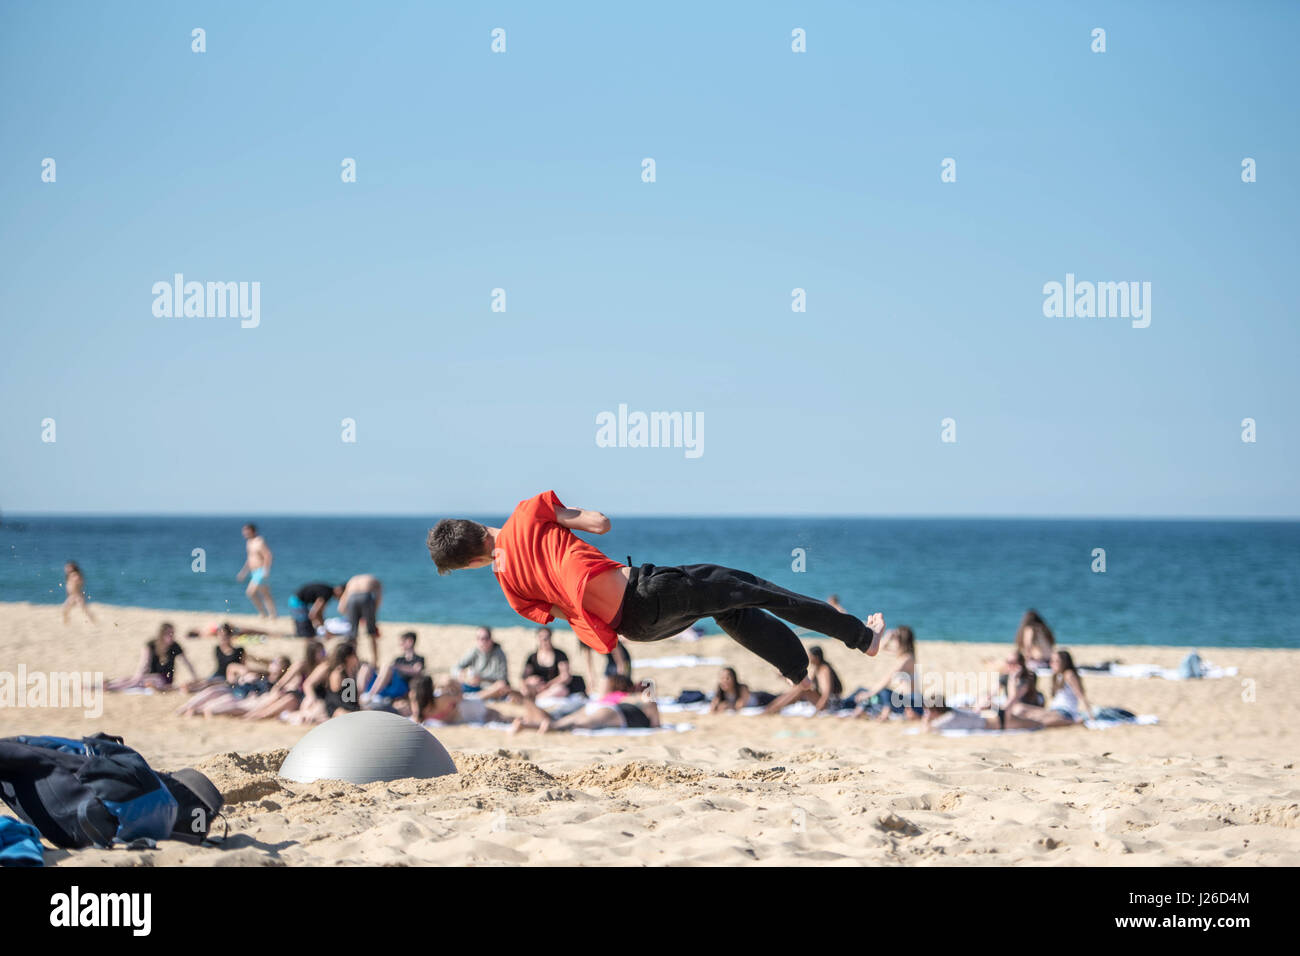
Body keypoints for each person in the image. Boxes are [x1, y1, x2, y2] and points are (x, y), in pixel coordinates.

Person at [426, 490, 885, 688]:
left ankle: (795, 672)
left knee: (729, 607)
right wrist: (569, 518)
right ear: (472, 525)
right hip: (648, 591)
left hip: (636, 628)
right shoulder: (527, 512)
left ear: (469, 562)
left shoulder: (509, 587)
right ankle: (861, 638)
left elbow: (569, 614)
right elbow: (600, 524)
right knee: (754, 587)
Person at [510, 674, 659, 733]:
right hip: (617, 713)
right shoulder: (646, 700)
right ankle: (540, 723)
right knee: (575, 724)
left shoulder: (620, 695)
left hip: (599, 706)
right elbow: (655, 725)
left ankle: (526, 725)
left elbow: (604, 685)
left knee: (566, 721)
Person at [243, 640, 326, 721]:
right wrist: (275, 691)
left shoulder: (324, 667)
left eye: (323, 651)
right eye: (321, 652)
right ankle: (248, 716)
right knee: (269, 702)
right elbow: (284, 681)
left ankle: (252, 717)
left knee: (268, 712)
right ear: (312, 653)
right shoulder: (302, 665)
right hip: (298, 695)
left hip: (302, 699)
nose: (323, 654)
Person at [1008, 648, 1094, 726]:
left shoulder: (1069, 674)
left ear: (1064, 662)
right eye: (1052, 661)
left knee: (1037, 720)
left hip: (1065, 712)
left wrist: (1090, 716)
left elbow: (1081, 695)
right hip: (1054, 709)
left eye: (1056, 661)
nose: (1051, 664)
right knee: (1019, 708)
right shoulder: (1058, 676)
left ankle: (1074, 723)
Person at [852, 626, 923, 720]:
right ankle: (849, 706)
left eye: (895, 638)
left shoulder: (907, 659)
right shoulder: (902, 655)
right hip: (900, 700)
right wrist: (888, 636)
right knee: (861, 690)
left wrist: (869, 693)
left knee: (882, 692)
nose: (894, 641)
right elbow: (881, 648)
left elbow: (888, 678)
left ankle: (880, 713)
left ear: (901, 641)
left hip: (911, 703)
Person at [106, 623, 199, 691]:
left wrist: (195, 678)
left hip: (164, 679)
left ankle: (111, 687)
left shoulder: (175, 646)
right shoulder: (151, 644)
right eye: (169, 633)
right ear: (162, 634)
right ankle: (109, 684)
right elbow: (144, 663)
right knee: (128, 679)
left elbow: (187, 663)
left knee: (137, 681)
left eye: (173, 633)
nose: (171, 636)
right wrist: (138, 676)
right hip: (149, 675)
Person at [763, 646, 846, 713]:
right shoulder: (816, 669)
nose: (809, 658)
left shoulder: (824, 669)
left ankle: (772, 709)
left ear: (816, 658)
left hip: (832, 703)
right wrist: (785, 678)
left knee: (803, 690)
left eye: (810, 656)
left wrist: (818, 710)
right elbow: (802, 684)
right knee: (800, 688)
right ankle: (771, 708)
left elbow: (826, 693)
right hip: (825, 701)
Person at [363, 631, 426, 708]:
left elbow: (417, 670)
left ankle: (372, 694)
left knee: (388, 667)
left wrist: (397, 667)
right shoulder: (399, 659)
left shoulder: (418, 658)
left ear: (410, 641)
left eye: (403, 641)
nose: (400, 644)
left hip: (402, 686)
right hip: (390, 684)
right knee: (366, 667)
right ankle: (361, 694)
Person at [411, 676, 505, 726]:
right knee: (493, 712)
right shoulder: (441, 698)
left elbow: (416, 719)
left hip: (461, 712)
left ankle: (497, 689)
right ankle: (497, 688)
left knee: (477, 698)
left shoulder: (418, 706)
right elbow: (461, 697)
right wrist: (456, 689)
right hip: (464, 709)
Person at [521, 626, 579, 699]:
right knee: (525, 690)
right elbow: (524, 677)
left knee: (560, 689)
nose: (544, 640)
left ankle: (538, 699)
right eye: (541, 637)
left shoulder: (560, 655)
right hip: (537, 687)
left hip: (553, 686)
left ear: (551, 638)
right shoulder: (532, 657)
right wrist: (531, 680)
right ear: (537, 638)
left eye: (546, 637)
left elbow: (566, 676)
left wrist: (547, 685)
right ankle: (537, 698)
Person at [338, 573, 383, 664]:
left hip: (352, 598)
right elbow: (378, 597)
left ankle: (353, 660)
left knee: (353, 634)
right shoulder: (373, 579)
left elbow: (343, 602)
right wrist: (373, 613)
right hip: (366, 596)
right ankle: (375, 661)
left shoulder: (352, 580)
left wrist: (345, 611)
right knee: (372, 632)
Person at [456, 626, 511, 700]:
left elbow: (502, 677)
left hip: (490, 687)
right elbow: (457, 667)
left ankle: (474, 698)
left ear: (491, 639)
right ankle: (474, 697)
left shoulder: (499, 654)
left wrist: (482, 678)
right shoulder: (474, 651)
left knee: (501, 685)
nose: (483, 641)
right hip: (474, 685)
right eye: (479, 638)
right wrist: (462, 675)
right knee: (453, 680)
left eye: (486, 638)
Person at [237, 523, 277, 619]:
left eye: (246, 530)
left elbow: (268, 555)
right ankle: (271, 614)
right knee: (265, 593)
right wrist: (243, 572)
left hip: (260, 571)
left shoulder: (259, 541)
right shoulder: (249, 542)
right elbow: (250, 559)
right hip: (253, 571)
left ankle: (264, 613)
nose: (244, 533)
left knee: (250, 592)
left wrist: (266, 570)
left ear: (252, 531)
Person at [709, 666, 776, 712]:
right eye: (722, 678)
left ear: (734, 679)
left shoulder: (742, 688)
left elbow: (739, 706)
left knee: (779, 697)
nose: (724, 681)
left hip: (762, 699)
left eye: (727, 678)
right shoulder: (721, 690)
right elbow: (712, 707)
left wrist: (726, 706)